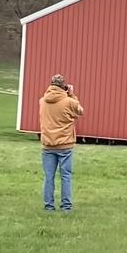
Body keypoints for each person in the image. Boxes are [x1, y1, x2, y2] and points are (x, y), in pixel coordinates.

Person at [39, 74, 84, 212]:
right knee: (65, 177)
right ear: (63, 86)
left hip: (47, 145)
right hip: (65, 145)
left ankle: (48, 207)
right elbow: (80, 111)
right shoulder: (68, 101)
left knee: (48, 177)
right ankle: (66, 207)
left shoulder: (42, 101)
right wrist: (72, 95)